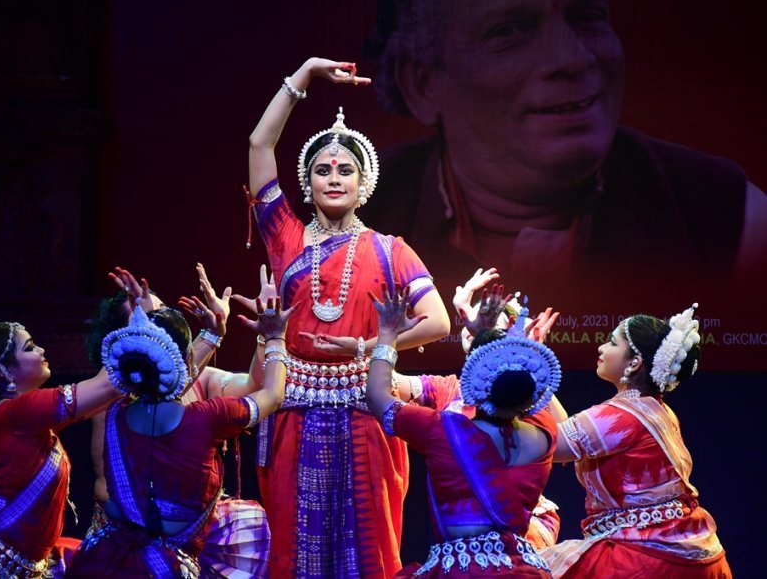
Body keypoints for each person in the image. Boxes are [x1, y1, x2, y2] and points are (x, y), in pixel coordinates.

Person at [363, 0, 767, 335]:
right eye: (508, 30)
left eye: (586, 16)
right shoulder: (359, 218)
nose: (573, 57)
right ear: (422, 83)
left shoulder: (733, 223)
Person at [247, 57, 451, 576]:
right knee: (295, 543)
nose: (333, 178)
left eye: (345, 170)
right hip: (292, 406)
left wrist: (367, 348)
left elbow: (438, 322)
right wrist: (304, 76)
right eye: (322, 169)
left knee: (371, 539)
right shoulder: (285, 236)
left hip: (366, 405)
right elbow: (258, 146)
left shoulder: (390, 251)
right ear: (307, 181)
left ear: (364, 184)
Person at [69, 292, 292, 577]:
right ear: (188, 359)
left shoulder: (116, 414)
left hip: (114, 561)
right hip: (171, 565)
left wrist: (212, 334)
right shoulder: (208, 418)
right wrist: (275, 336)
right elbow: (272, 396)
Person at [0, 272, 131, 577]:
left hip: (15, 563)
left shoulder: (22, 419)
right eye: (31, 347)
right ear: (5, 372)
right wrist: (139, 318)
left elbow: (115, 391)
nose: (42, 351)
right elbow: (110, 385)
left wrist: (203, 340)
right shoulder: (17, 413)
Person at [364, 284, 562, 577]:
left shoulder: (441, 431)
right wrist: (524, 349)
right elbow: (525, 391)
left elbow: (377, 396)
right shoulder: (545, 433)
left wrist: (388, 334)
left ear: (471, 382)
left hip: (458, 569)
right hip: (522, 566)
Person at [541, 304, 732, 577]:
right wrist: (535, 366)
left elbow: (549, 444)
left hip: (647, 559)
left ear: (634, 362)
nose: (601, 349)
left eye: (611, 342)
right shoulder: (654, 408)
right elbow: (568, 435)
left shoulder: (620, 416)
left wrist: (520, 364)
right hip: (687, 554)